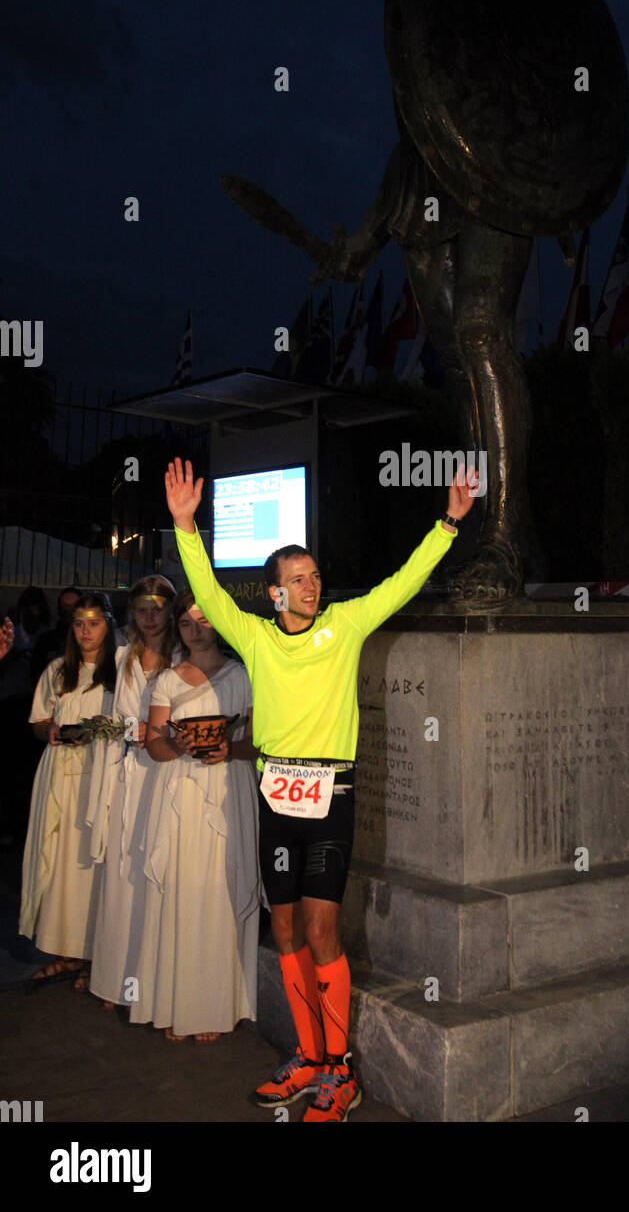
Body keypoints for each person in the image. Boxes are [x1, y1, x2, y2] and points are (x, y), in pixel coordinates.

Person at [164, 454, 477, 1122]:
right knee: (284, 929)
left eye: (314, 576)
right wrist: (186, 528)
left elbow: (403, 582)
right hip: (274, 798)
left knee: (322, 926)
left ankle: (341, 1069)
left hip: (329, 796)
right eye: (298, 579)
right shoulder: (255, 637)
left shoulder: (346, 626)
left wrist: (448, 523)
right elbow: (213, 596)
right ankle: (309, 1057)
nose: (312, 585)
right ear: (275, 592)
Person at [128, 589, 259, 1042]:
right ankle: (175, 1003)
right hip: (180, 794)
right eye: (186, 623)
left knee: (218, 893)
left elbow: (257, 742)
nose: (195, 630)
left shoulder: (242, 674)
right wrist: (177, 746)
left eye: (203, 621)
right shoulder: (166, 680)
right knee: (181, 893)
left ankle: (214, 1007)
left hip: (226, 788)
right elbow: (154, 744)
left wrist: (230, 748)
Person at [87, 576, 180, 1010]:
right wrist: (134, 730)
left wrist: (161, 733)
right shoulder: (123, 657)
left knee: (156, 875)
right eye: (142, 607)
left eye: (158, 607)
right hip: (128, 773)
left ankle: (154, 985)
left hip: (167, 774)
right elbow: (109, 722)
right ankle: (119, 981)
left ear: (170, 612)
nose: (149, 615)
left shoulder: (183, 658)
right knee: (124, 875)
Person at [20, 594, 117, 988]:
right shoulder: (58, 671)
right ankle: (67, 951)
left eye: (93, 623)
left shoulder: (120, 670)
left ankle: (98, 953)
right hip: (60, 773)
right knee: (60, 863)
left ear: (108, 626)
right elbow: (38, 721)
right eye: (79, 624)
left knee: (95, 863)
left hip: (100, 774)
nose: (86, 632)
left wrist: (102, 730)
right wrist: (52, 731)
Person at [30, 587, 83, 686]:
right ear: (59, 609)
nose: (69, 611)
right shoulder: (45, 640)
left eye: (73, 607)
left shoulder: (88, 641)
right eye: (65, 607)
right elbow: (35, 674)